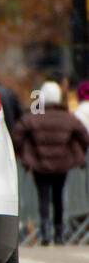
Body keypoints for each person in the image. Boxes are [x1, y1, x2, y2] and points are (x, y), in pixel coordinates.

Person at [13, 80, 89, 245]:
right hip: (62, 165)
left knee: (43, 198)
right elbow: (84, 136)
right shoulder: (67, 118)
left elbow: (18, 134)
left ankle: (46, 233)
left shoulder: (33, 118)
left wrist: (24, 154)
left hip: (39, 165)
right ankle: (59, 234)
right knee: (59, 198)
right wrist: (77, 153)